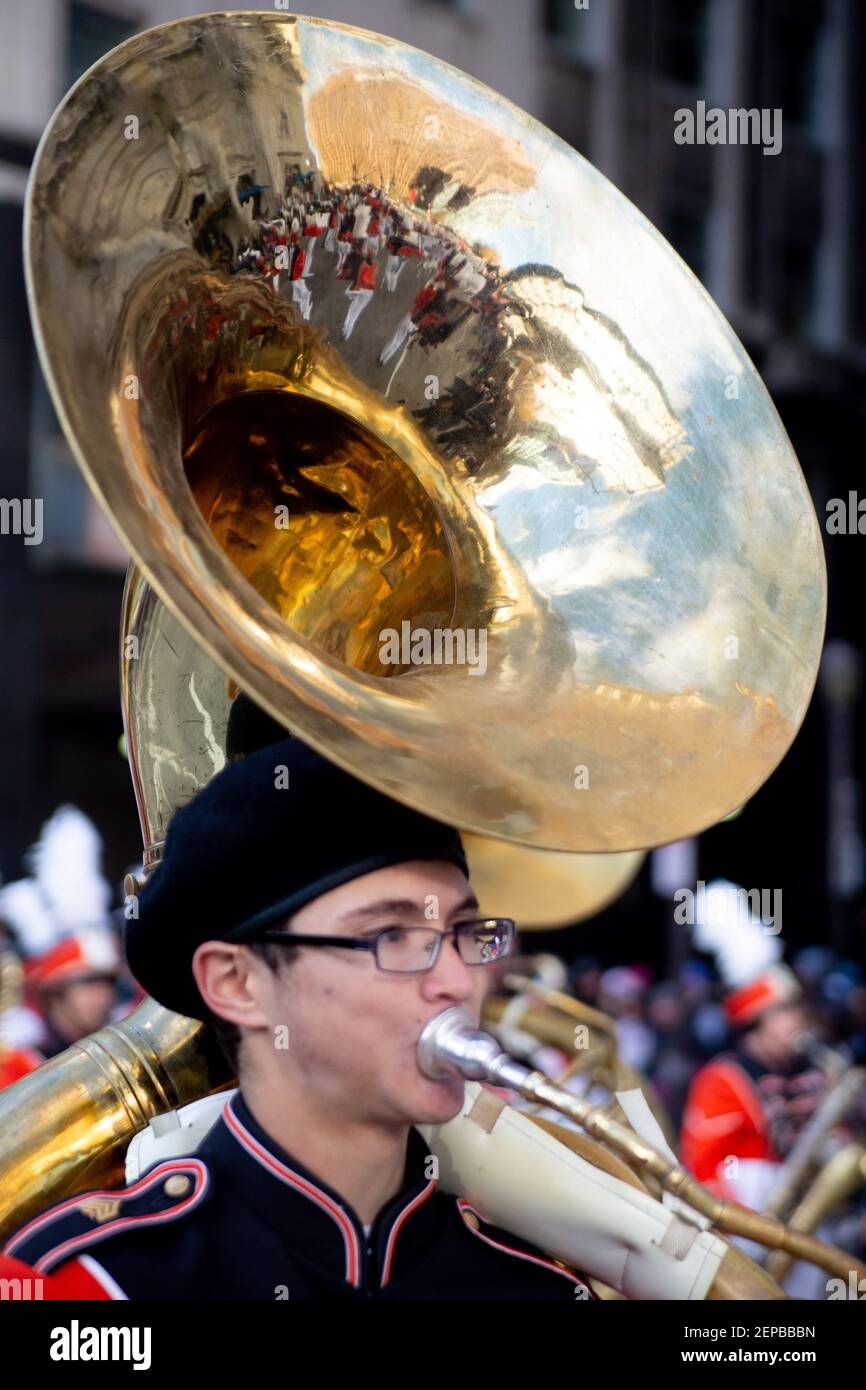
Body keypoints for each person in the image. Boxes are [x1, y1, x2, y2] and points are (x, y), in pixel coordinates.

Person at [0, 734, 595, 1300]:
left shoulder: (541, 1288)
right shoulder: (89, 1282)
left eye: (465, 932)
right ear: (237, 983)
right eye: (391, 934)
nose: (461, 981)